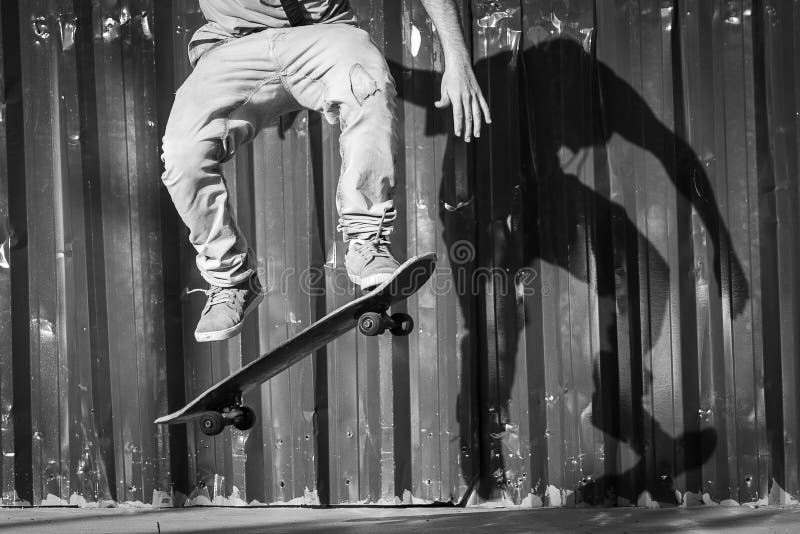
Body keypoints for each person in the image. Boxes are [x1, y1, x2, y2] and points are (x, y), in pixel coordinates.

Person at [161, 0, 491, 342]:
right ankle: (231, 279)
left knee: (367, 82)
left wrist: (457, 59)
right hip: (231, 47)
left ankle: (367, 244)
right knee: (181, 152)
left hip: (324, 37)